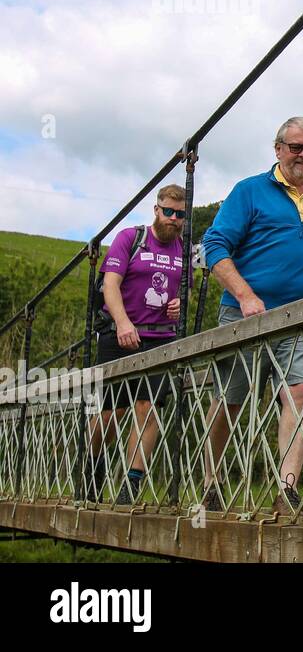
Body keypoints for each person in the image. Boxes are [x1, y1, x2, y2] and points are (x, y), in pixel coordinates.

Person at [201, 117, 303, 514]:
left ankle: (287, 491)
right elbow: (214, 245)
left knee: (300, 392)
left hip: (302, 317)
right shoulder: (249, 191)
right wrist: (245, 295)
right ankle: (211, 481)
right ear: (278, 148)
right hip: (245, 315)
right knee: (230, 401)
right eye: (296, 147)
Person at [88, 185, 190, 505]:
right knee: (111, 414)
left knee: (148, 409)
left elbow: (179, 292)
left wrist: (177, 304)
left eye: (180, 214)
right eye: (168, 211)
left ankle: (130, 485)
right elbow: (110, 285)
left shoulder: (183, 249)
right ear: (156, 210)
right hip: (119, 334)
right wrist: (121, 323)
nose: (173, 219)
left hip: (160, 338)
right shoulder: (130, 238)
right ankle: (93, 467)